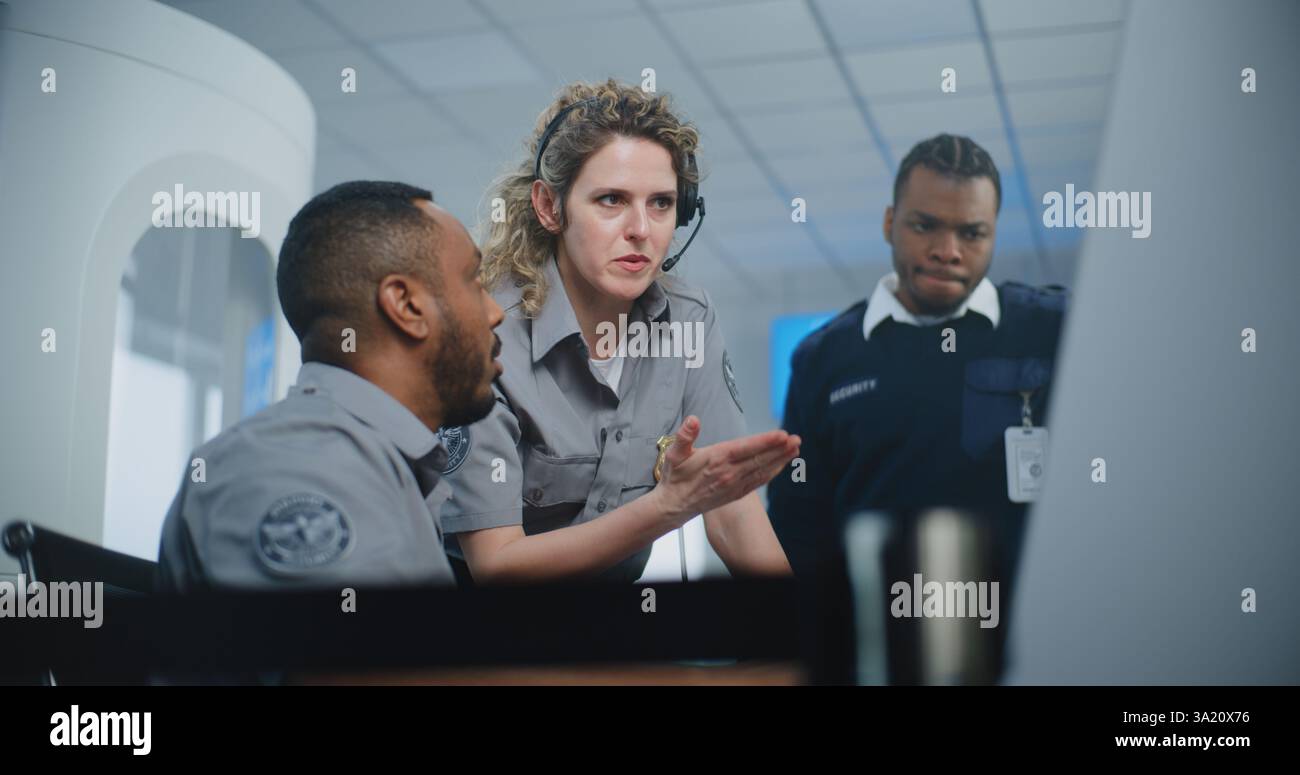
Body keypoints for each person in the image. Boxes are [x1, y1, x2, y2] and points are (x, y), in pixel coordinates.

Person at [437, 79, 798, 585]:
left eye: (661, 204)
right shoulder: (488, 332)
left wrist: (805, 631)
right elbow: (498, 566)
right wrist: (668, 508)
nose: (641, 230)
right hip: (491, 646)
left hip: (614, 640)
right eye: (611, 200)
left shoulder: (688, 320)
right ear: (549, 207)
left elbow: (732, 510)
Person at [158, 181, 504, 590]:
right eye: (474, 282)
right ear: (408, 306)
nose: (496, 313)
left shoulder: (374, 465)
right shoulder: (299, 466)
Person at [768, 133, 1069, 589]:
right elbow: (798, 525)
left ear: (992, 235)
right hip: (878, 636)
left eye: (971, 233)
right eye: (925, 225)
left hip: (1032, 628)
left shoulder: (1052, 330)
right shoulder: (823, 359)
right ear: (890, 223)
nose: (947, 250)